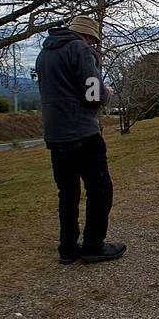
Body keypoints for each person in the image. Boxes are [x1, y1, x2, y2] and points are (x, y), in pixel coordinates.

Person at [37, 15, 124, 265]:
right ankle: (94, 246)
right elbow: (93, 94)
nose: (93, 45)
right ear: (88, 37)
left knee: (68, 193)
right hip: (83, 133)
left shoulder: (45, 54)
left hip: (55, 134)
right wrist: (106, 94)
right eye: (93, 40)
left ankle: (67, 248)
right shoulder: (80, 50)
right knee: (100, 190)